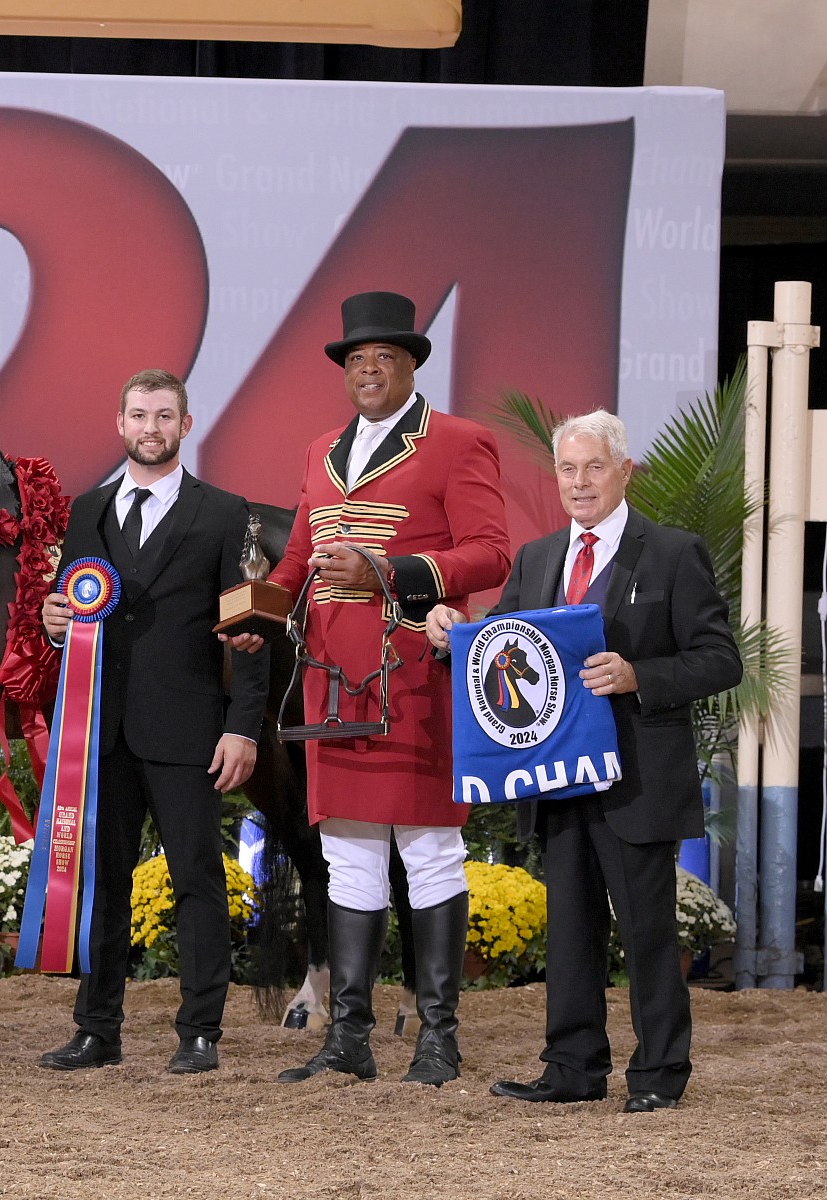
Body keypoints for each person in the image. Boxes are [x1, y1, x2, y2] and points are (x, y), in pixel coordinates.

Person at [232, 291, 510, 1086]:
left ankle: (437, 1038)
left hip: (412, 672)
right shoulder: (322, 450)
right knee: (348, 852)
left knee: (428, 848)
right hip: (329, 680)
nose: (367, 370)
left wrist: (391, 571)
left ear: (412, 366)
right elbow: (296, 556)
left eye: (383, 358)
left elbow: (491, 553)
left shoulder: (460, 442)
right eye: (355, 360)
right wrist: (259, 612)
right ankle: (348, 1037)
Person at [428, 409, 741, 1112]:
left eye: (593, 467)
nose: (579, 482)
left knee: (648, 934)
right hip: (554, 777)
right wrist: (452, 635)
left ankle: (659, 1075)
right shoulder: (537, 558)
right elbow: (501, 650)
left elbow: (721, 660)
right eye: (567, 469)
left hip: (637, 778)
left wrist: (641, 676)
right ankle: (573, 1068)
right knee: (569, 932)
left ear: (624, 471)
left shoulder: (671, 552)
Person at [37, 368, 268, 1075]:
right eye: (139, 415)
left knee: (197, 880)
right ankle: (96, 1029)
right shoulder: (86, 512)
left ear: (185, 427)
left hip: (189, 731)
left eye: (164, 416)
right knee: (100, 883)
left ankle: (199, 1032)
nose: (150, 428)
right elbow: (67, 608)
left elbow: (251, 633)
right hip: (99, 733)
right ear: (120, 424)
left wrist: (244, 727)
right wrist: (52, 622)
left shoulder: (228, 513)